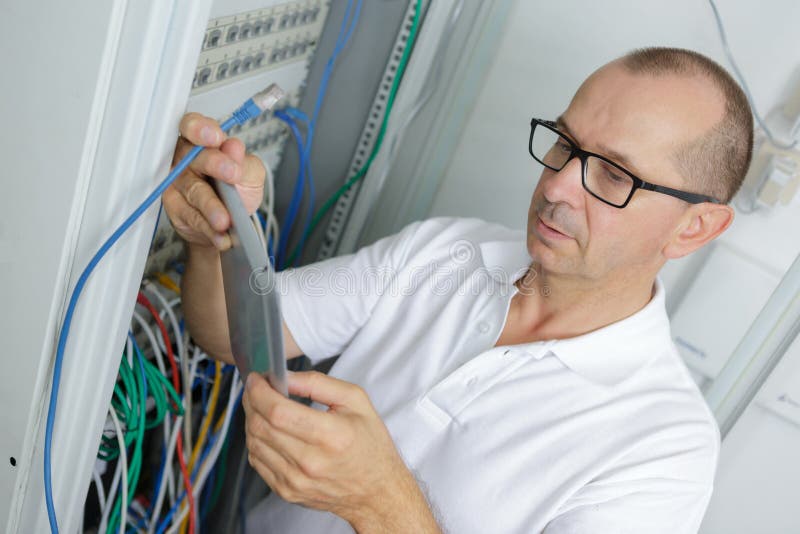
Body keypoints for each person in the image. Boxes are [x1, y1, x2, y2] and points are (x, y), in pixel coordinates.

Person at [163, 46, 753, 533]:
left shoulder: (664, 450)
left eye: (614, 175)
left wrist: (379, 503)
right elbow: (234, 337)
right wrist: (216, 235)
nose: (558, 187)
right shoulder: (447, 253)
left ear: (694, 227)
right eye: (565, 145)